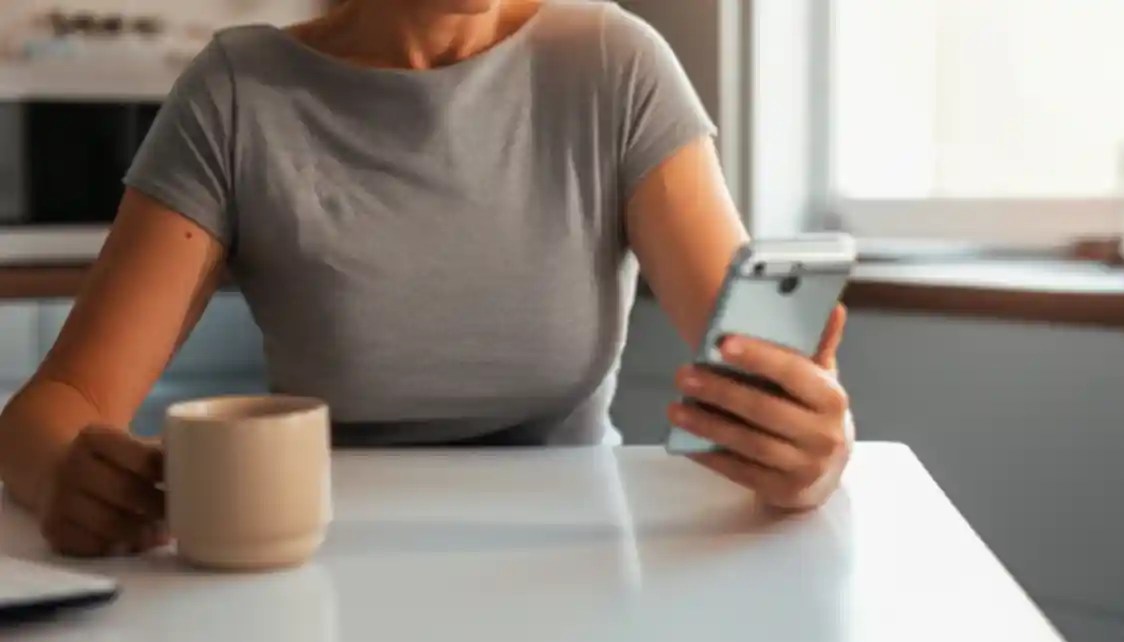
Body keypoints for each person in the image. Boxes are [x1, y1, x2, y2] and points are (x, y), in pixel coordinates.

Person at [0, 0, 854, 558]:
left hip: (579, 565)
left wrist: (808, 449)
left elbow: (761, 380)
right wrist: (67, 472)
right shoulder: (238, 92)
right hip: (316, 562)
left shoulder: (614, 66)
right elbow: (56, 404)